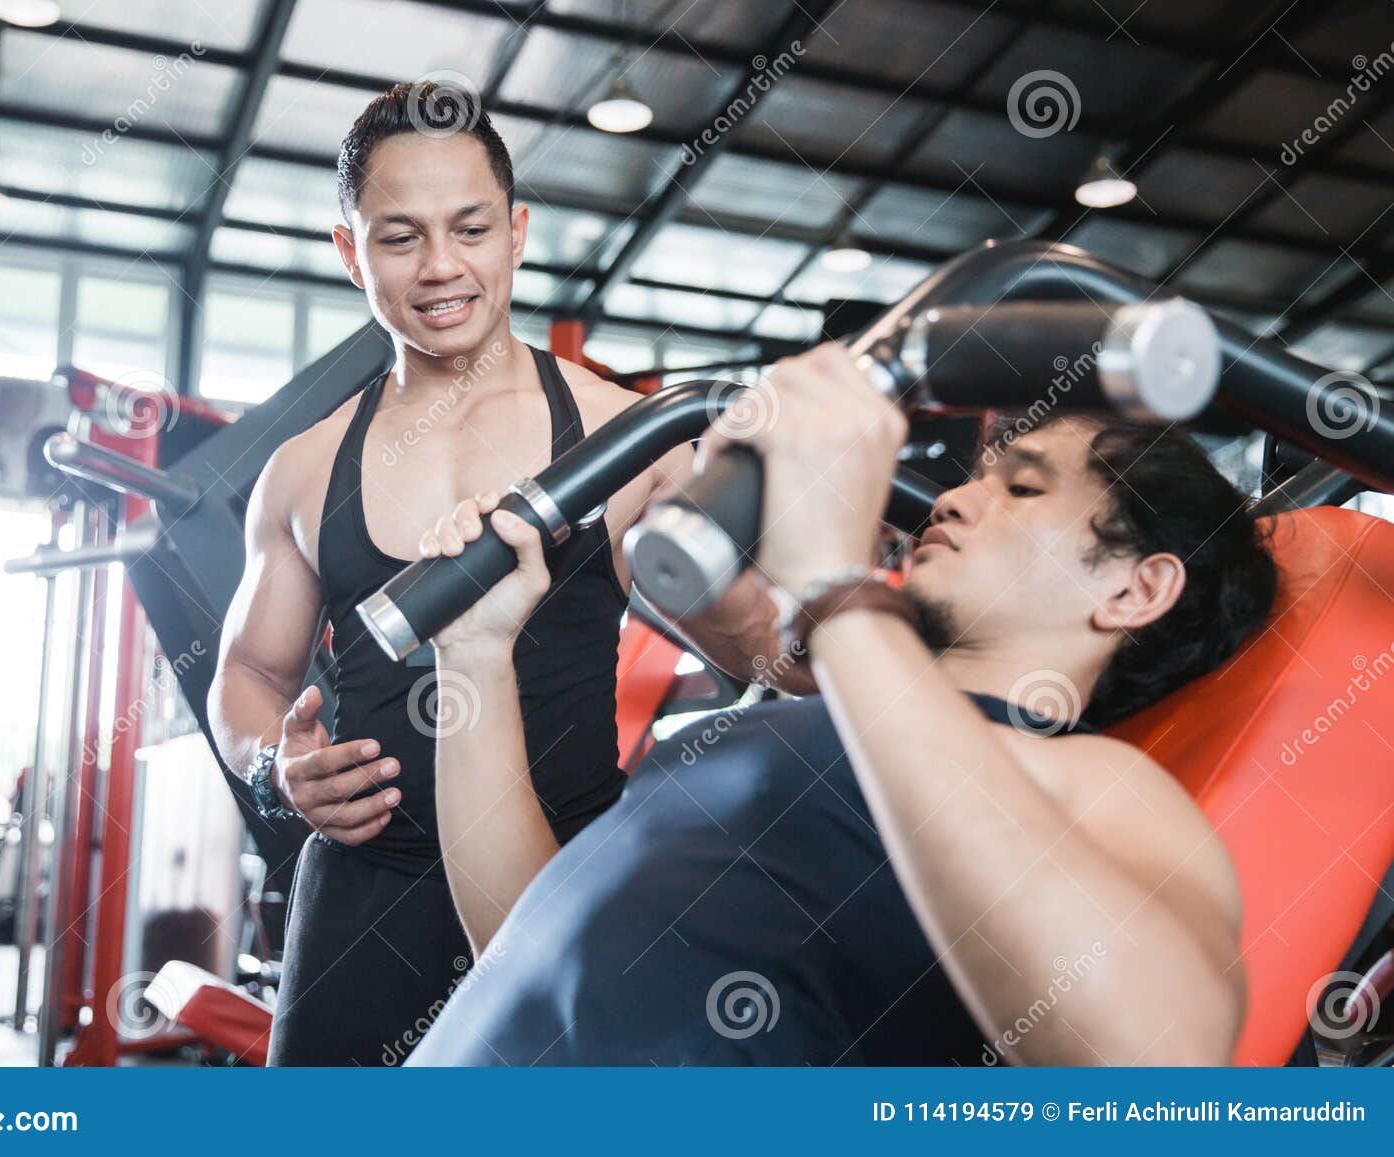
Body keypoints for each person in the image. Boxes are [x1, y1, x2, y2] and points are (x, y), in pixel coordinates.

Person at [407, 343, 1279, 1065]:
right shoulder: (799, 719)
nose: (950, 497)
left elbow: (1155, 1061)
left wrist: (835, 588)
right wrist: (474, 654)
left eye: (1021, 487)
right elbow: (521, 940)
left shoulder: (1094, 779)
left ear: (1138, 588)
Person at [206, 82, 804, 1066]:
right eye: (399, 238)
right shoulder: (304, 468)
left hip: (561, 882)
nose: (442, 267)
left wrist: (799, 551)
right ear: (350, 251)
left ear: (516, 232)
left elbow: (764, 652)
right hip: (364, 894)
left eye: (470, 228)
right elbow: (249, 675)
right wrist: (277, 765)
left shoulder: (626, 437)